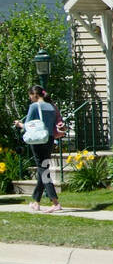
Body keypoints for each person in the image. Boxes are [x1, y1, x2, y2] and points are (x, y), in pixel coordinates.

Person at [13, 84, 61, 212]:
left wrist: (19, 124)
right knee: (43, 168)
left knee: (43, 170)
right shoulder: (51, 106)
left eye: (30, 95)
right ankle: (36, 202)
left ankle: (55, 202)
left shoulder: (34, 106)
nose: (30, 98)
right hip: (49, 139)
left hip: (38, 140)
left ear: (35, 94)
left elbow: (28, 125)